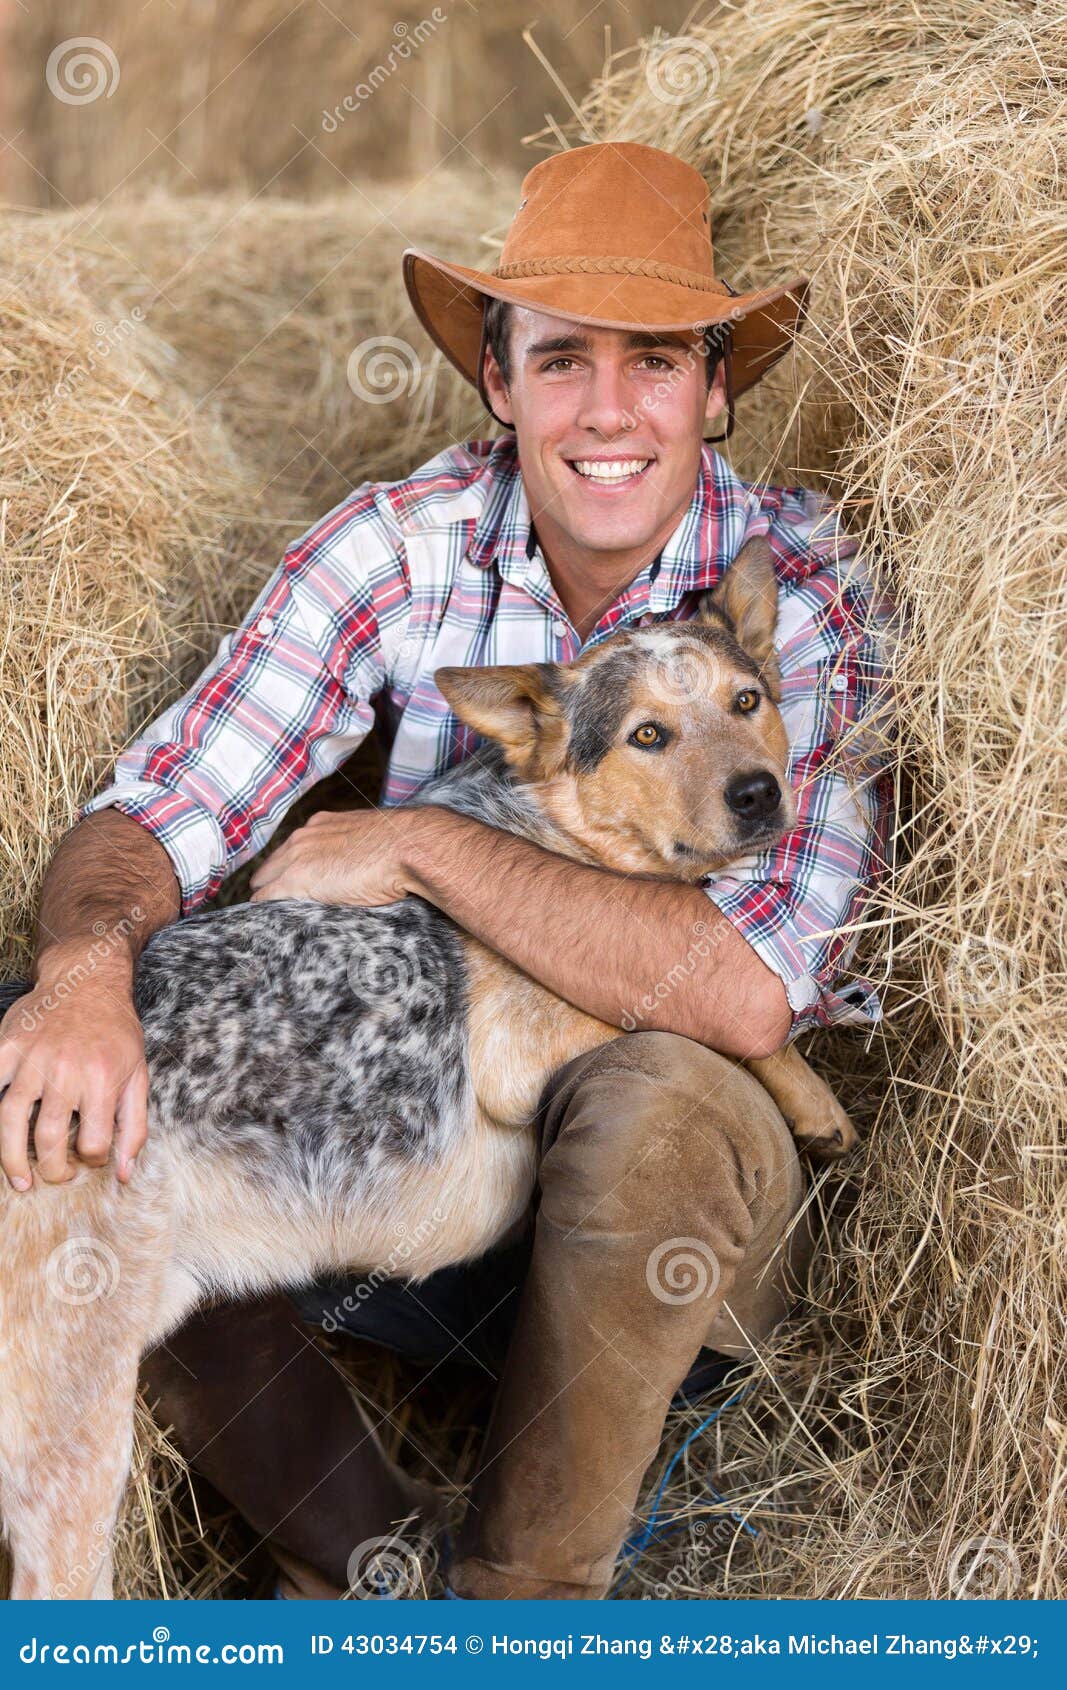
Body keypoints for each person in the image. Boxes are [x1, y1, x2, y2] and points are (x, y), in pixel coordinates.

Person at [0, 142, 894, 1600]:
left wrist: (419, 840)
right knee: (62, 1081)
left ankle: (516, 1612)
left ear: (717, 388)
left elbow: (742, 992)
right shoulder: (399, 547)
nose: (608, 410)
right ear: (500, 380)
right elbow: (163, 807)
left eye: (656, 361)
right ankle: (365, 1560)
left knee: (656, 1098)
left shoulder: (794, 601)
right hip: (394, 1166)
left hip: (651, 1216)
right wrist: (86, 977)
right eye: (563, 361)